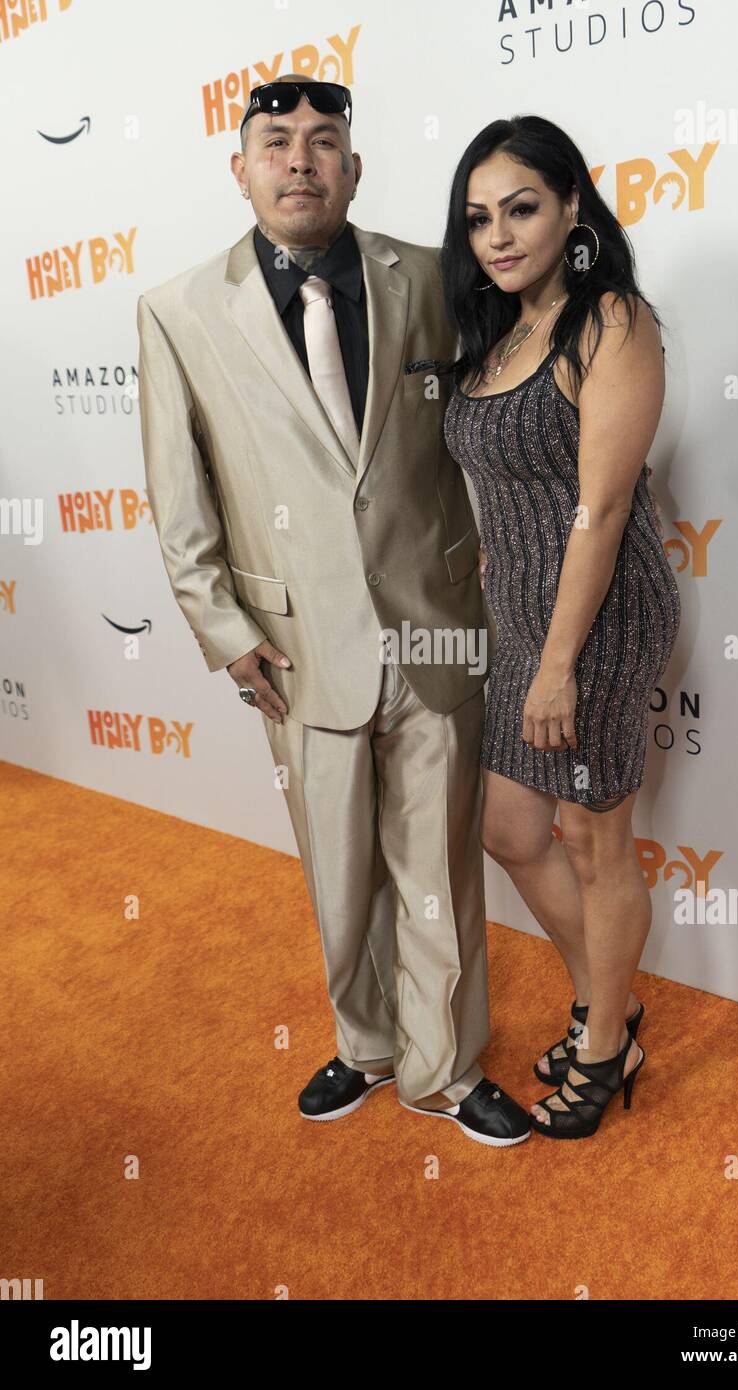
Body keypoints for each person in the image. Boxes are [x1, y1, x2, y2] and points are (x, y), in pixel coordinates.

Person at [136, 75, 530, 1147]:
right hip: (296, 647)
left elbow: (481, 428)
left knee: (438, 863)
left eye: (322, 142)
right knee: (339, 868)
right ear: (242, 168)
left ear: (353, 167)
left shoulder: (430, 279)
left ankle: (443, 1067)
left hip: (437, 621)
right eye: (276, 142)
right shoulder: (176, 312)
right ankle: (364, 1043)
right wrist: (222, 630)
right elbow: (180, 497)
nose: (299, 160)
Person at [440, 115, 682, 1139]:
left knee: (590, 837)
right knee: (508, 829)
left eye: (522, 207)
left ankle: (600, 1044)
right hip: (523, 611)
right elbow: (508, 481)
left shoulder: (610, 322)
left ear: (573, 207)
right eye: (478, 218)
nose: (498, 235)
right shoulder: (496, 334)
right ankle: (614, 1008)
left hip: (597, 617)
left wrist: (554, 668)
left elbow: (604, 509)